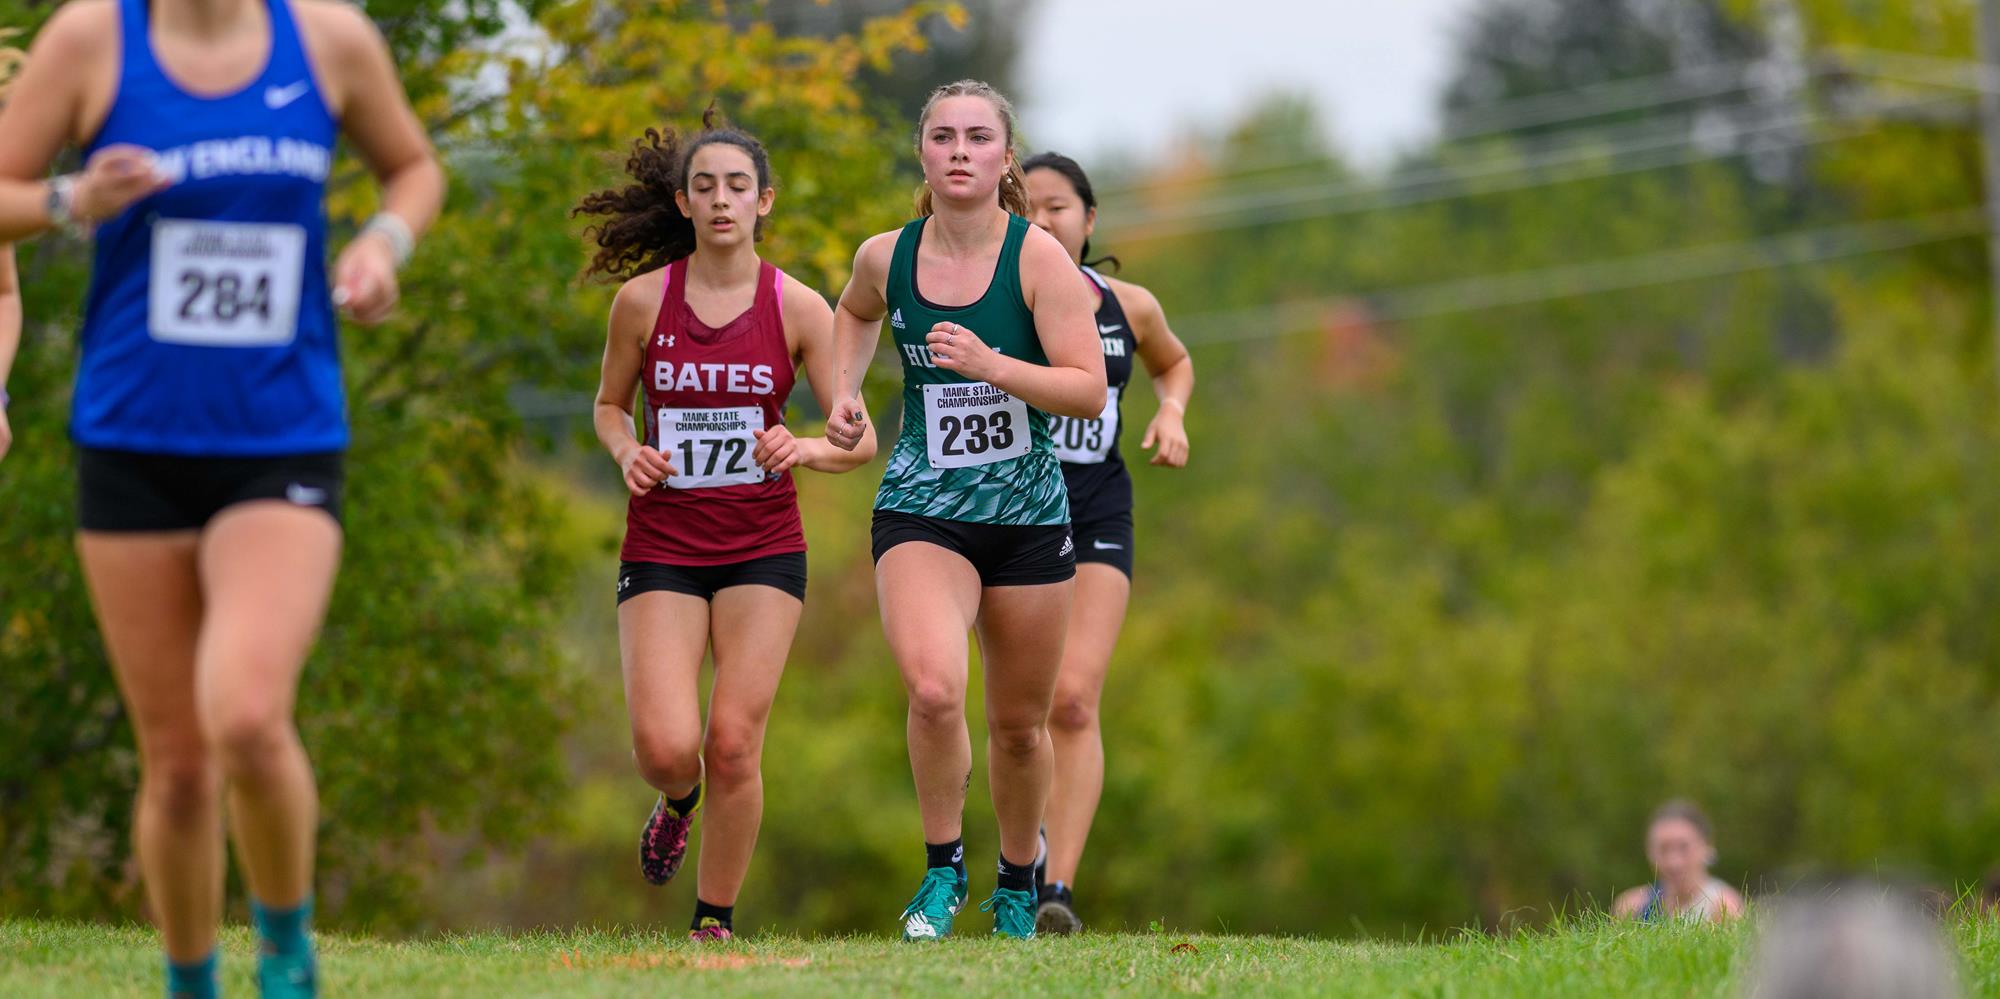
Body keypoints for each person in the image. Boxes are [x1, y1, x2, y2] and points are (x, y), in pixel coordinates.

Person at [0, 1, 443, 995]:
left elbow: (413, 168)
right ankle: (191, 980)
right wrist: (74, 197)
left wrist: (382, 245)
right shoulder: (90, 41)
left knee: (244, 715)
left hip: (279, 439)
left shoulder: (328, 39)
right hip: (132, 439)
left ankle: (284, 957)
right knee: (178, 766)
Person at [577, 111, 874, 942]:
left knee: (735, 740)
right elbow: (607, 406)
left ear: (763, 201)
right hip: (664, 545)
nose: (720, 200)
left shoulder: (799, 306)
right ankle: (678, 799)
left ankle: (713, 920)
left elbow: (857, 439)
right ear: (682, 202)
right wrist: (627, 449)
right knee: (666, 747)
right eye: (703, 186)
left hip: (763, 547)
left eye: (737, 186)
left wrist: (805, 445)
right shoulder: (643, 302)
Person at [822, 79, 1104, 940]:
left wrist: (993, 366)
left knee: (1019, 727)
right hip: (923, 505)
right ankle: (942, 870)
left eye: (978, 137)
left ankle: (1018, 881)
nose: (958, 151)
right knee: (935, 688)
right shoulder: (887, 256)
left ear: (1004, 157)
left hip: (1027, 516)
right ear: (922, 152)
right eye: (942, 136)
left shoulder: (1038, 260)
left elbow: (1087, 389)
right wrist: (843, 392)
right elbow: (852, 313)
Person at [1021, 151, 1194, 934]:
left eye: (1057, 206)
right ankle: (1017, 861)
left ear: (1089, 219)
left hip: (1096, 512)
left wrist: (1171, 410)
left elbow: (1174, 362)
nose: (1042, 220)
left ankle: (1056, 887)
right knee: (1021, 709)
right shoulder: (999, 303)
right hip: (1014, 513)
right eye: (1026, 207)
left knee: (1074, 698)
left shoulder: (1131, 305)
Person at [1612, 800, 1747, 923]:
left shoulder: (1726, 908)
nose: (1673, 862)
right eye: (1663, 849)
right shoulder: (1631, 906)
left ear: (1707, 847)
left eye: (1684, 847)